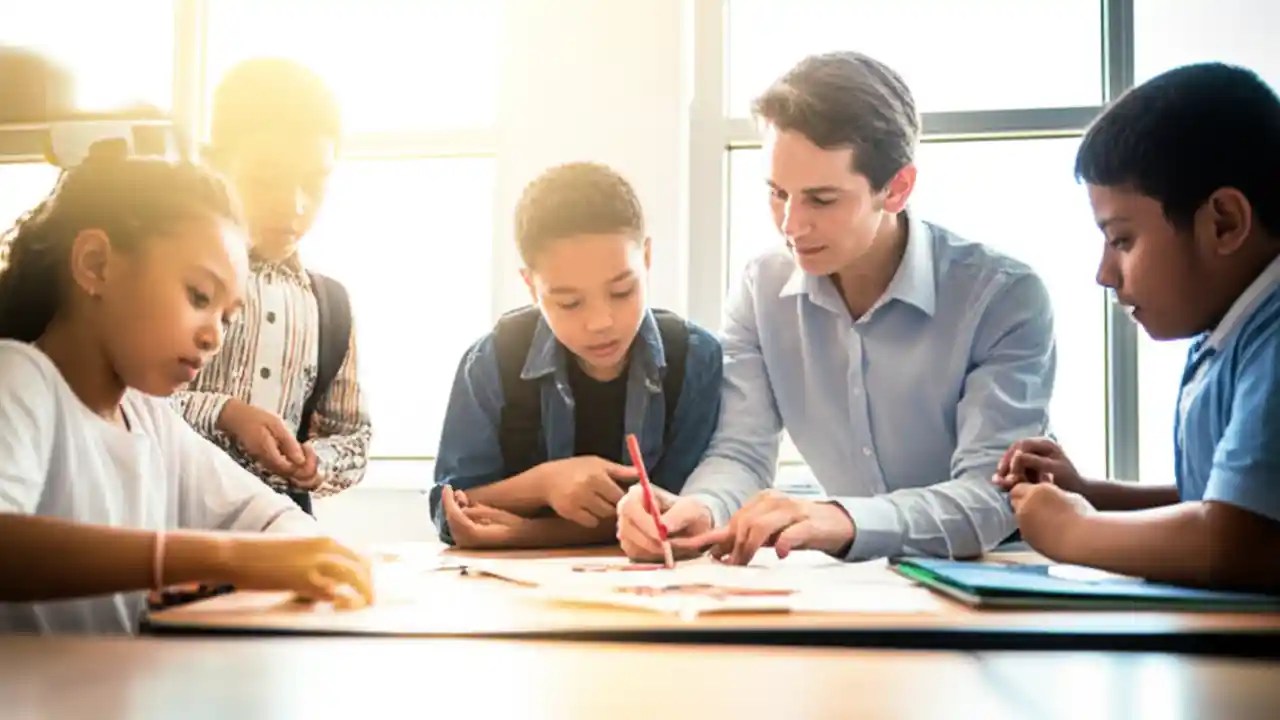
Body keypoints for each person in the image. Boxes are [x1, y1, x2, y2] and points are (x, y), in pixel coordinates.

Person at [619, 51, 1055, 565]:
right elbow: (740, 450)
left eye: (821, 200)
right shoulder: (762, 291)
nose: (791, 226)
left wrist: (843, 519)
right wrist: (702, 509)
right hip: (859, 583)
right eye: (778, 193)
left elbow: (990, 496)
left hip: (999, 575)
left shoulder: (1003, 297)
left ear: (897, 188)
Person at [0, 153, 373, 634]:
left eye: (227, 317)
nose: (214, 337)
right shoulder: (20, 378)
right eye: (199, 296)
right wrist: (221, 557)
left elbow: (268, 518)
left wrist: (313, 557)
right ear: (96, 265)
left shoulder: (149, 419)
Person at [993, 63, 1280, 592]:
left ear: (1224, 222)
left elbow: (1238, 540)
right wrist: (1094, 494)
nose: (1105, 274)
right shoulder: (1231, 335)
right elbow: (1224, 504)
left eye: (1122, 240)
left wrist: (1075, 530)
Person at [433, 162, 723, 548]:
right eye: (569, 303)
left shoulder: (693, 360)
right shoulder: (492, 361)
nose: (600, 322)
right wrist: (544, 483)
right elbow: (450, 510)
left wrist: (528, 532)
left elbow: (675, 516)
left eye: (622, 292)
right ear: (531, 286)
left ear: (647, 258)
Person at [173, 58, 371, 514]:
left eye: (314, 182)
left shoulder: (331, 306)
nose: (294, 204)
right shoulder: (169, 280)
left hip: (281, 535)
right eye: (266, 180)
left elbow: (354, 437)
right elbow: (121, 407)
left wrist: (315, 463)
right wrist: (223, 414)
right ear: (215, 165)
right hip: (169, 531)